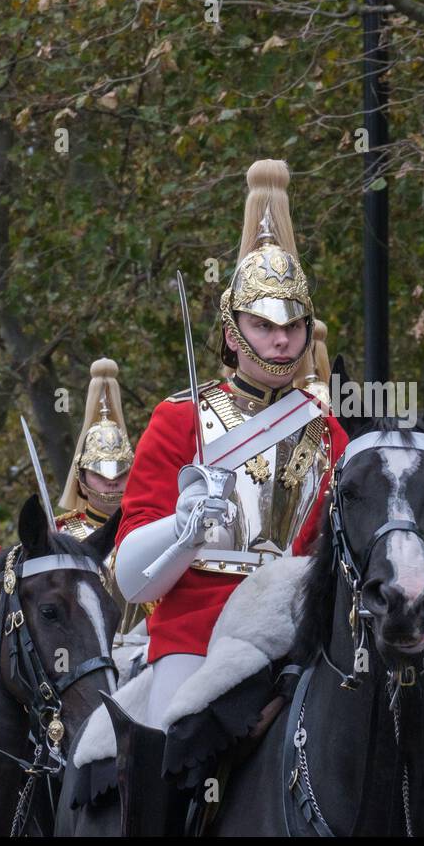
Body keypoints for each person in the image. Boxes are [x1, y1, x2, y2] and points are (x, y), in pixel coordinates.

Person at [113, 158, 347, 752]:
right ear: (232, 328)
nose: (281, 339)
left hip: (297, 634)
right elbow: (129, 577)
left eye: (293, 325)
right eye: (263, 324)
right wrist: (184, 530)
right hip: (197, 633)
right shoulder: (180, 418)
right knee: (171, 755)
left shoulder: (328, 433)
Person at [56, 358, 138, 636]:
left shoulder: (150, 528)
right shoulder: (59, 532)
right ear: (81, 479)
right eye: (100, 472)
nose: (112, 480)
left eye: (120, 471)